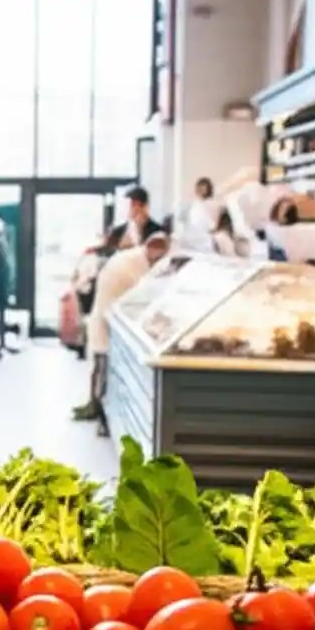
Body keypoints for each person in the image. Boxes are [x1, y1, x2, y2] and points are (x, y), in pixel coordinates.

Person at [74, 231, 173, 436]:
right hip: (107, 323)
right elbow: (143, 294)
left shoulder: (133, 258)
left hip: (108, 321)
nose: (161, 260)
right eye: (161, 254)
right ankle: (101, 418)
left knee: (101, 370)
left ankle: (99, 413)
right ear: (154, 249)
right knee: (103, 374)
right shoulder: (132, 264)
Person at [102, 187, 162, 254]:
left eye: (134, 205)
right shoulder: (118, 231)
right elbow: (108, 252)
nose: (131, 209)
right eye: (129, 205)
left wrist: (139, 230)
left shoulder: (158, 231)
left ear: (145, 207)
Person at [181, 177, 222, 253]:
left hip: (205, 239)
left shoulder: (212, 204)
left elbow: (213, 226)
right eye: (198, 188)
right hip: (190, 238)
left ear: (208, 189)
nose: (199, 191)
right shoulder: (193, 204)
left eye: (202, 188)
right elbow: (182, 218)